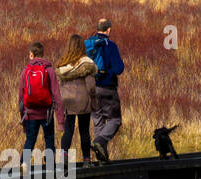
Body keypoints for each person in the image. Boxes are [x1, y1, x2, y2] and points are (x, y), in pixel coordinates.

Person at [84, 18, 124, 162]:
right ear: (109, 30)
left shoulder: (88, 44)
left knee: (98, 121)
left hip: (91, 88)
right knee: (115, 119)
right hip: (107, 88)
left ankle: (102, 158)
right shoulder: (111, 46)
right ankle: (100, 142)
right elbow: (119, 68)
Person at [56, 33, 98, 162]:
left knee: (68, 129)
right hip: (82, 100)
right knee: (84, 130)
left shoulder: (64, 65)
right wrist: (94, 101)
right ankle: (86, 158)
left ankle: (64, 155)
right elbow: (90, 86)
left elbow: (61, 85)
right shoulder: (86, 64)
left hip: (67, 100)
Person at [18, 41, 63, 157]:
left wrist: (23, 119)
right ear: (42, 54)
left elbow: (21, 98)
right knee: (49, 140)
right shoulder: (49, 71)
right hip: (46, 113)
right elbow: (57, 95)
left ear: (31, 54)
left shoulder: (25, 71)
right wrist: (60, 121)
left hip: (30, 113)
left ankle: (24, 164)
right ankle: (50, 166)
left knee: (30, 141)